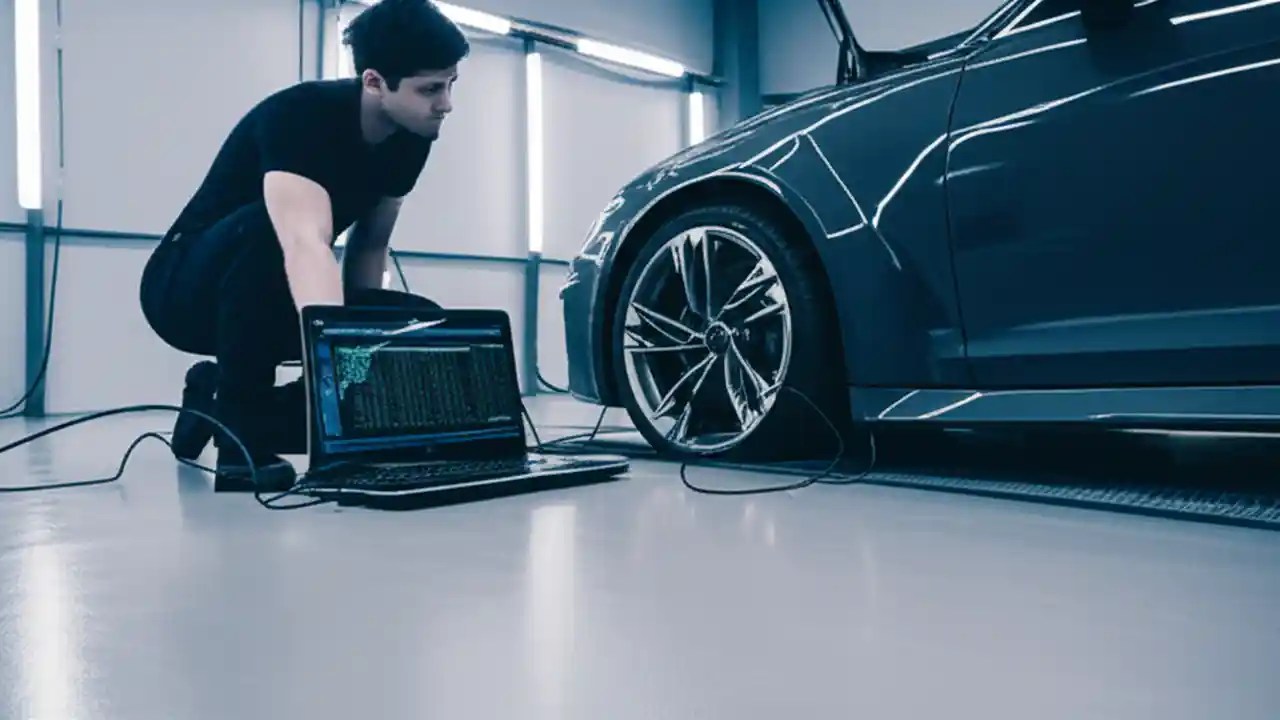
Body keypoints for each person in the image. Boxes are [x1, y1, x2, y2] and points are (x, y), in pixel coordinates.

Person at [138, 0, 468, 491]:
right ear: (374, 82)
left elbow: (369, 250)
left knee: (420, 322)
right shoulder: (301, 116)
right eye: (430, 89)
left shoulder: (411, 138)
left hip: (276, 292)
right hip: (186, 291)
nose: (446, 103)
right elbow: (304, 244)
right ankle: (238, 447)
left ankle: (221, 406)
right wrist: (338, 366)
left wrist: (371, 354)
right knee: (268, 229)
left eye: (449, 85)